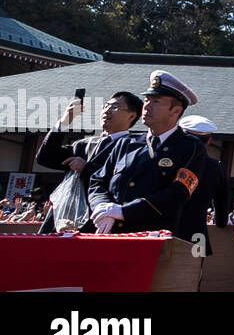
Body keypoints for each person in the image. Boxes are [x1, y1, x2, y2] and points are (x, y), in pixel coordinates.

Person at [87, 71, 206, 234]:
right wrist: (102, 207)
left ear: (176, 111)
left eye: (156, 102)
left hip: (153, 238)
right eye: (146, 100)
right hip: (110, 232)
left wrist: (124, 212)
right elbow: (97, 180)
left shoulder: (190, 147)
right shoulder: (126, 143)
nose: (147, 106)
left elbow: (178, 193)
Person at [35, 91, 141, 233]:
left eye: (115, 107)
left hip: (100, 222)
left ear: (132, 116)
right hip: (63, 220)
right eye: (106, 105)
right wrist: (64, 122)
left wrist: (87, 168)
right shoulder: (83, 144)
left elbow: (123, 182)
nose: (107, 110)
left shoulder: (134, 146)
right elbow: (45, 158)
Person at [173, 114, 229, 256]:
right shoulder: (215, 167)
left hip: (164, 231)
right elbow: (222, 200)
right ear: (209, 140)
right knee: (193, 275)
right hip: (196, 233)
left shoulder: (169, 161)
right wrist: (221, 222)